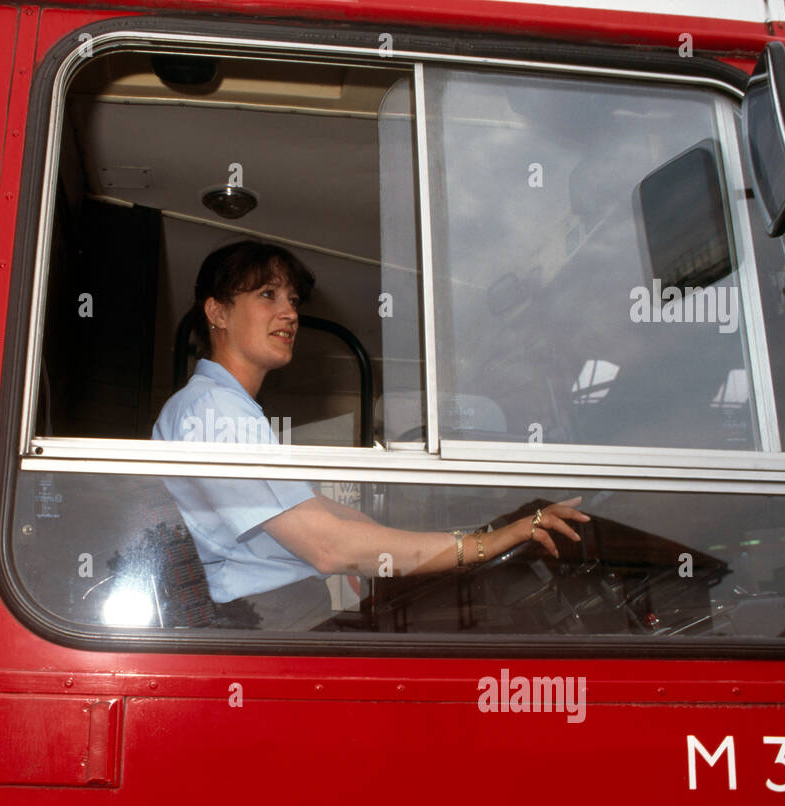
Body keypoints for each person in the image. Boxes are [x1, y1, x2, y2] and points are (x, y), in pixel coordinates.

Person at [153, 239, 589, 629]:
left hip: (280, 610)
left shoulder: (221, 409)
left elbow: (340, 519)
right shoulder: (214, 411)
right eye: (268, 295)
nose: (289, 313)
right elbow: (327, 545)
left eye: (292, 299)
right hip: (270, 617)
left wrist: (470, 536)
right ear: (217, 312)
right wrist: (483, 544)